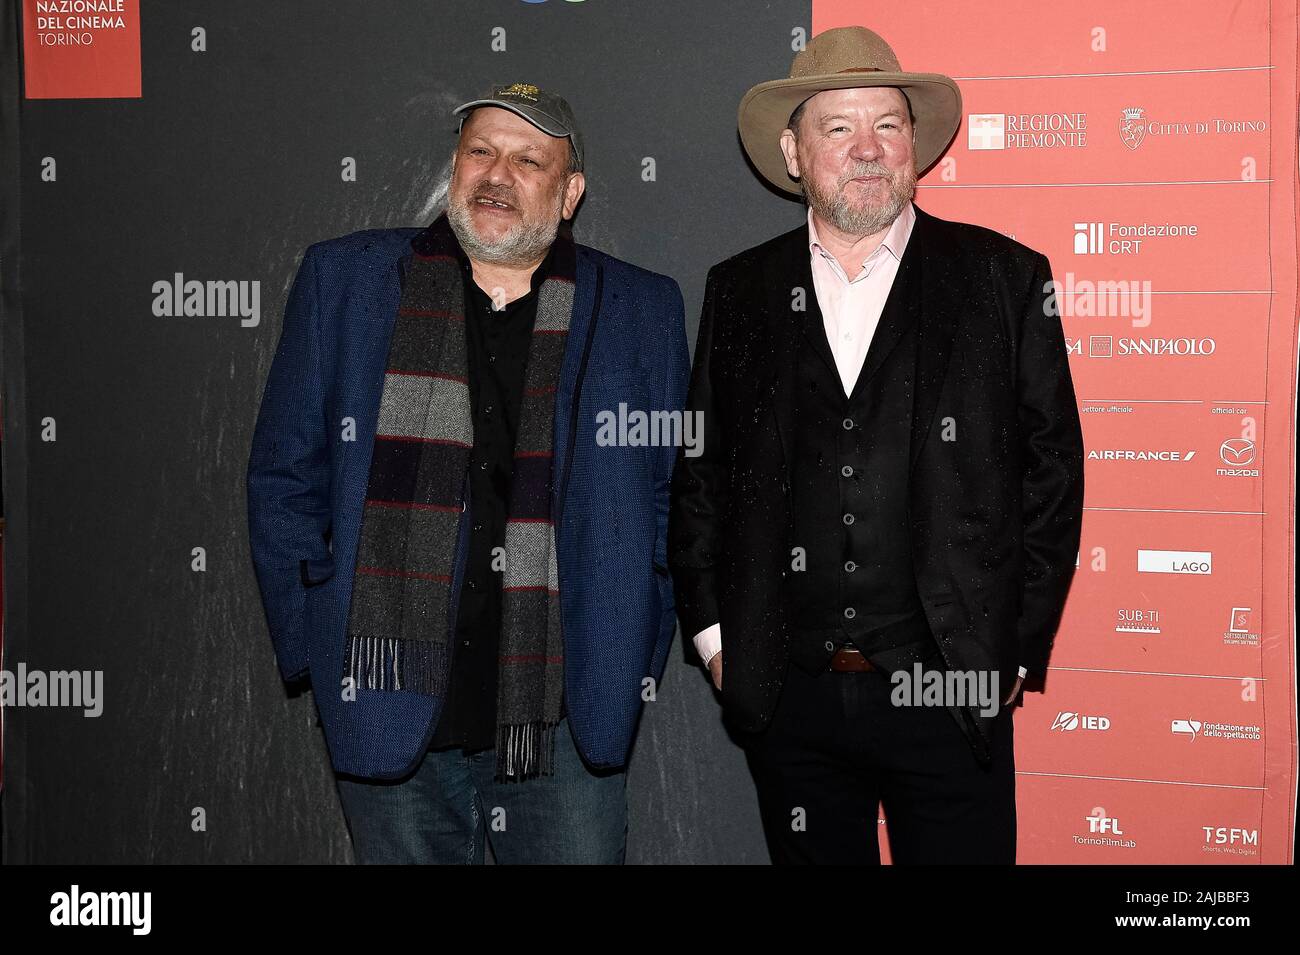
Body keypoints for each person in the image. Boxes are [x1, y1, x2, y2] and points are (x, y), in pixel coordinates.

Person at [668, 27, 1084, 864]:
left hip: (950, 687)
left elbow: (1054, 476)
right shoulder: (740, 289)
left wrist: (1010, 651)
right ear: (793, 151)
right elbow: (701, 471)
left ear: (915, 145)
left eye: (888, 125)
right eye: (838, 128)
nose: (867, 149)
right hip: (791, 694)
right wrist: (716, 638)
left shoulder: (1005, 278)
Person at [247, 83, 689, 863]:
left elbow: (669, 500)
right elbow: (283, 479)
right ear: (455, 164)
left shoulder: (641, 309)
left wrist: (632, 647)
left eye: (529, 160)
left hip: (563, 716)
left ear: (571, 190)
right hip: (385, 699)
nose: (496, 175)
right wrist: (316, 643)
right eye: (480, 151)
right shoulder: (344, 282)